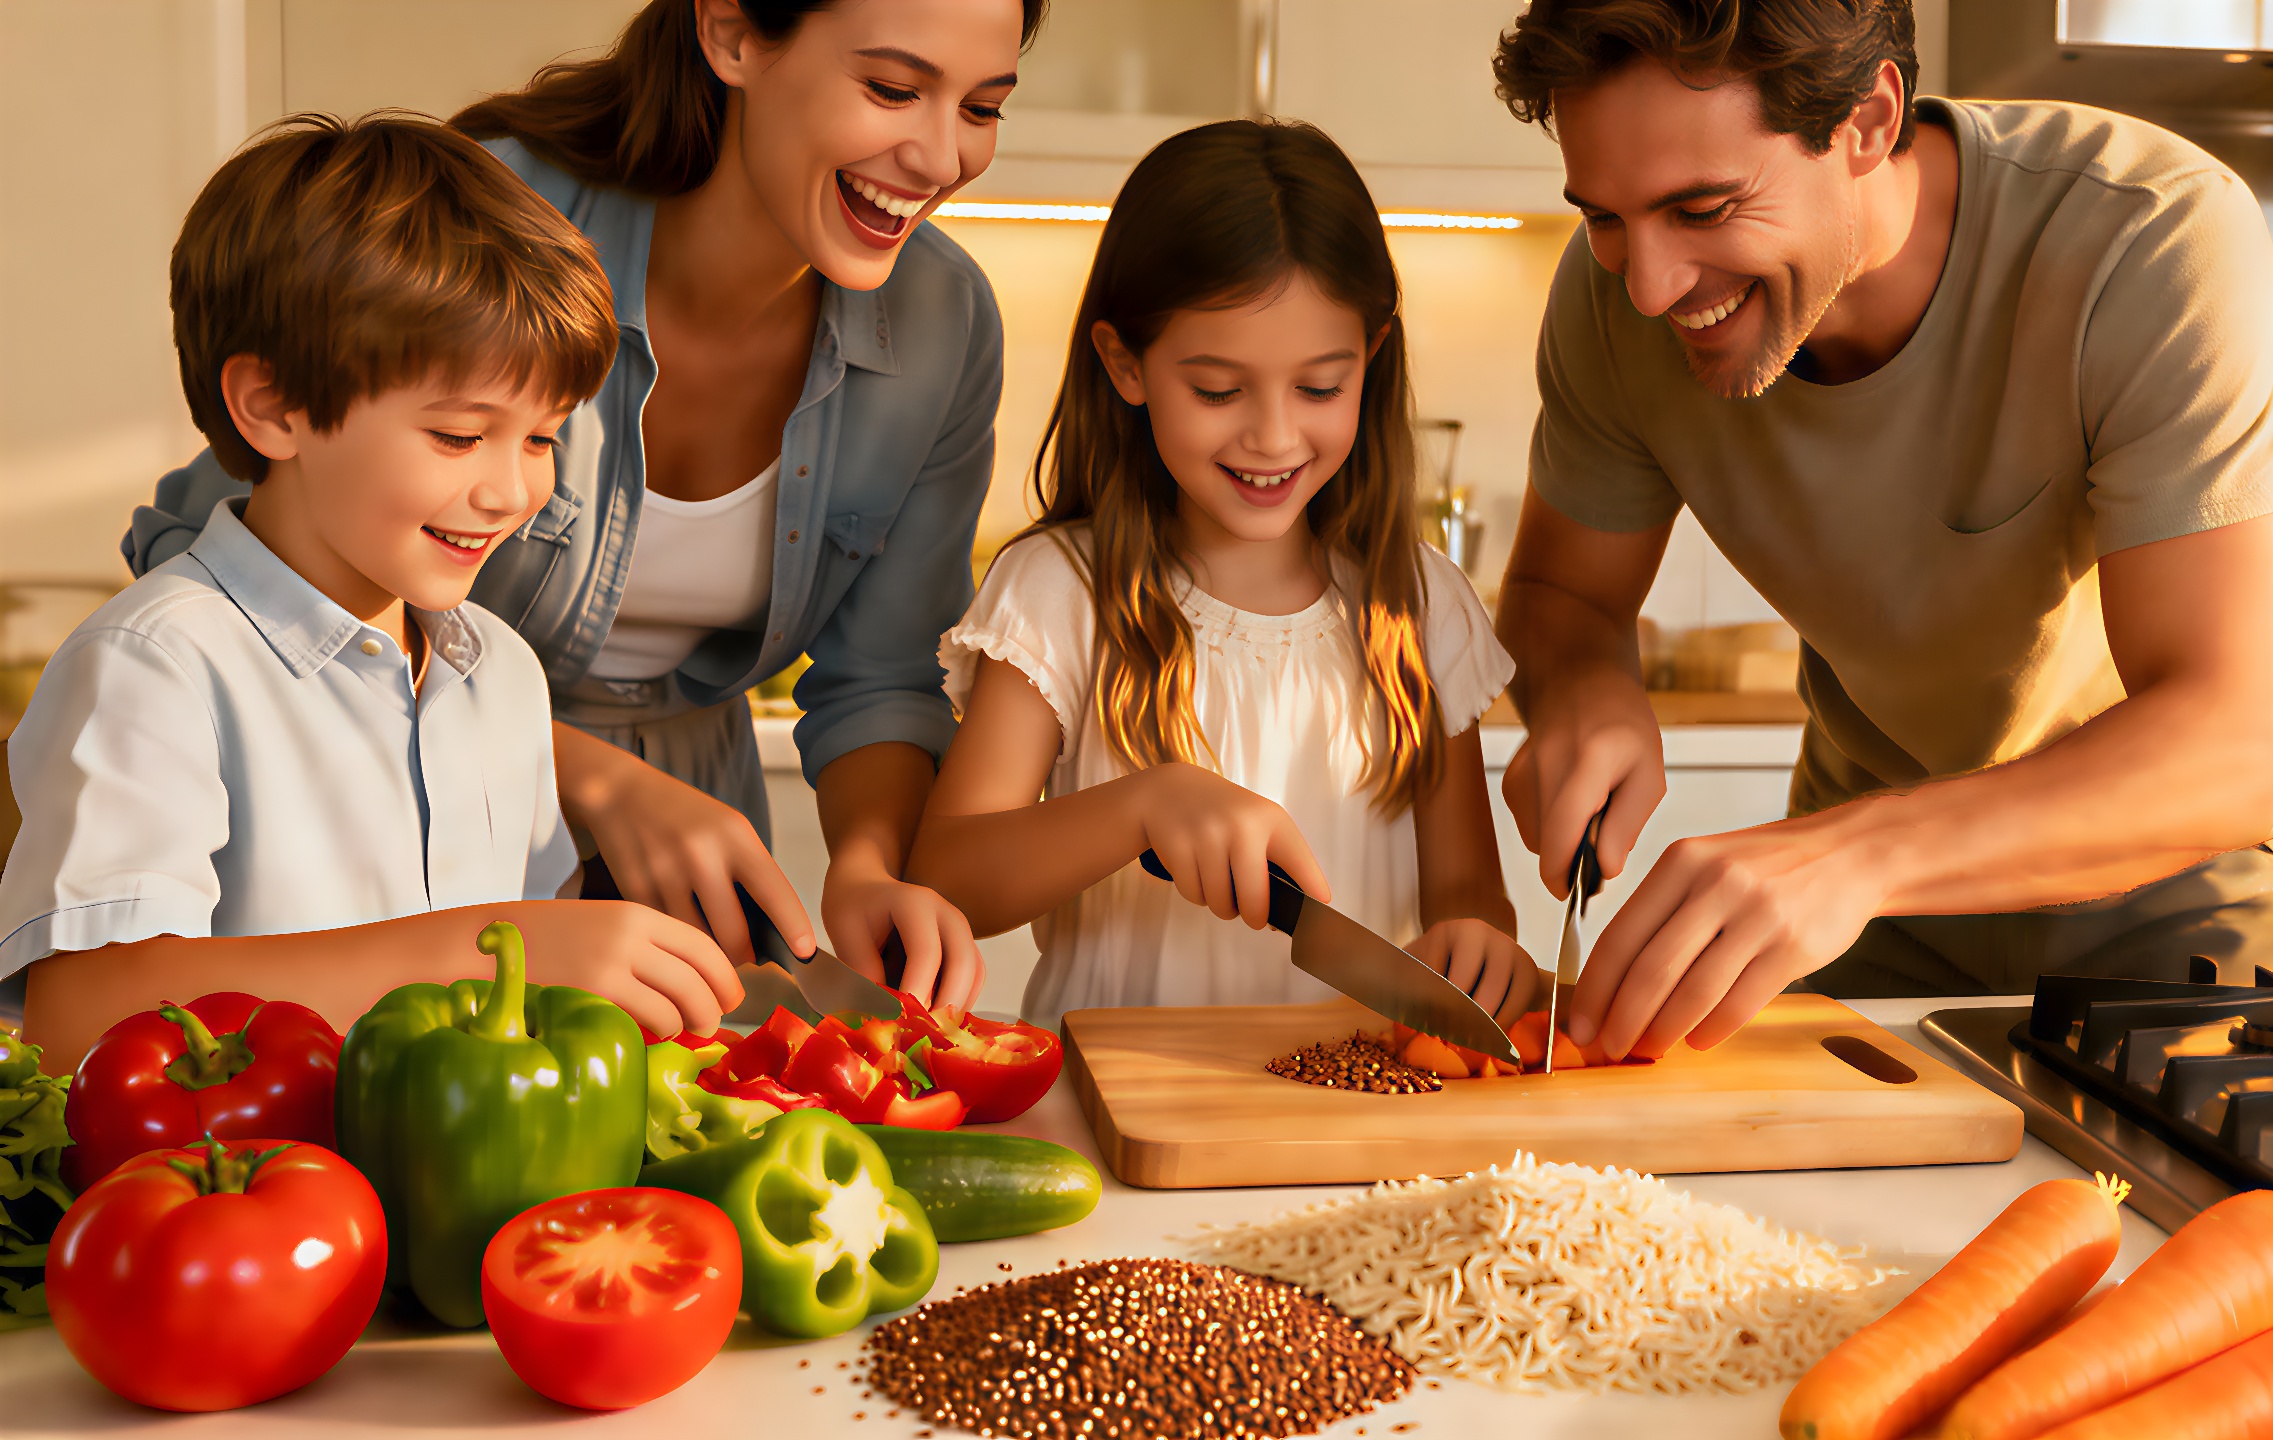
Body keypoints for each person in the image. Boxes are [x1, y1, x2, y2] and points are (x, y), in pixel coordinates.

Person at [122, 0, 1043, 1009]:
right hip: (413, 827)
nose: (941, 154)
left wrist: (867, 869)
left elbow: (882, 676)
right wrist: (594, 780)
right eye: (893, 89)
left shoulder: (944, 321)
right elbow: (230, 552)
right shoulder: (504, 226)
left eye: (985, 107)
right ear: (732, 32)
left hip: (702, 841)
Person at [1488, 0, 2273, 1061]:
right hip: (1877, 905)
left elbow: (2230, 746)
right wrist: (1583, 692)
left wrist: (1851, 859)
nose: (1650, 284)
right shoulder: (1608, 301)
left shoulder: (2149, 233)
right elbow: (1561, 600)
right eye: (1604, 217)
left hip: (2177, 896)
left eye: (1702, 207)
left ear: (1866, 123)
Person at [2, 115, 744, 1059]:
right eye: (459, 435)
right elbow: (85, 1016)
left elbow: (538, 1000)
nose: (511, 490)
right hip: (244, 1194)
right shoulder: (157, 668)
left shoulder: (501, 674)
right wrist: (481, 957)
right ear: (273, 407)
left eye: (544, 437)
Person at [906, 120, 1538, 1027]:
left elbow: (1473, 902)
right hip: (1119, 1107)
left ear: (1374, 358)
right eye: (1217, 390)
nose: (1274, 437)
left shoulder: (1422, 603)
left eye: (1321, 388)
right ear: (1126, 365)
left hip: (1353, 1115)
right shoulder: (1061, 592)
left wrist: (1482, 945)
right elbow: (948, 880)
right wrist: (1143, 806)